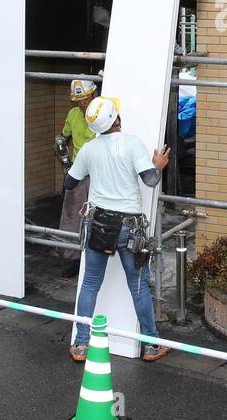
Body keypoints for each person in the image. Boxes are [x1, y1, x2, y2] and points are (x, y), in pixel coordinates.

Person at [63, 94, 170, 362]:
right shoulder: (132, 144)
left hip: (99, 222)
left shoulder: (89, 149)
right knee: (138, 286)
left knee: (89, 284)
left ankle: (81, 345)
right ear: (117, 118)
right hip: (129, 227)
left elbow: (69, 183)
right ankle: (151, 345)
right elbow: (150, 180)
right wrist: (157, 166)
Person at [55, 79, 98, 272]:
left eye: (85, 99)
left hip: (99, 175)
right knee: (73, 217)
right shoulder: (73, 114)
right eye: (78, 100)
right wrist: (62, 149)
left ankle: (95, 259)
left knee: (98, 218)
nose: (82, 103)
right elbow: (62, 138)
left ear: (93, 95)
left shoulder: (101, 114)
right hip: (78, 175)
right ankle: (73, 259)